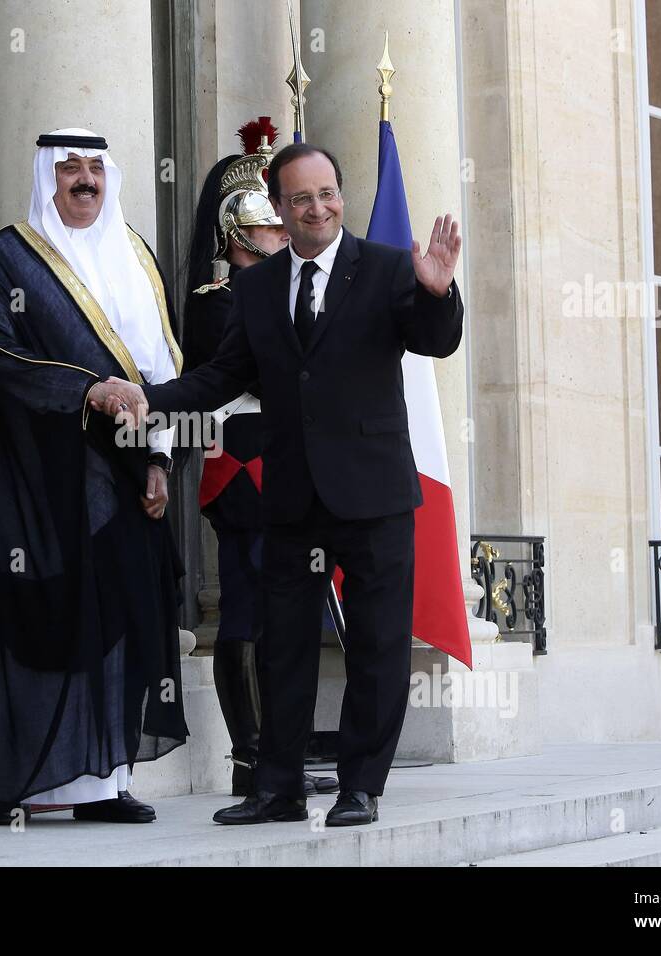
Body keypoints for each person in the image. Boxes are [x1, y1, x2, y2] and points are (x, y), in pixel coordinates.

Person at [89, 142, 464, 827]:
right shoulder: (255, 289)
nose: (316, 208)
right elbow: (221, 376)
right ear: (281, 211)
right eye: (300, 199)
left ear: (340, 198)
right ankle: (278, 788)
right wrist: (149, 400)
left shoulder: (383, 269)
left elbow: (433, 340)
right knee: (281, 645)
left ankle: (360, 786)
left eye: (326, 194)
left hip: (375, 494)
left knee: (377, 647)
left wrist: (438, 292)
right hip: (291, 497)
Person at [0, 128, 189, 825]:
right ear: (47, 178)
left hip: (122, 471)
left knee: (119, 615)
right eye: (69, 170)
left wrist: (158, 458)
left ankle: (104, 780)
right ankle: (33, 782)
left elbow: (163, 371)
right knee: (43, 614)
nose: (84, 181)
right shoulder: (9, 256)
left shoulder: (135, 257)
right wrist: (87, 390)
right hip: (38, 475)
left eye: (95, 168)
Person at [183, 119, 335, 799]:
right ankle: (251, 754)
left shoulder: (294, 291)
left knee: (288, 613)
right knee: (246, 610)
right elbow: (259, 374)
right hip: (245, 461)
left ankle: (283, 749)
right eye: (271, 227)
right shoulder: (219, 302)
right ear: (238, 233)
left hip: (295, 459)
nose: (284, 234)